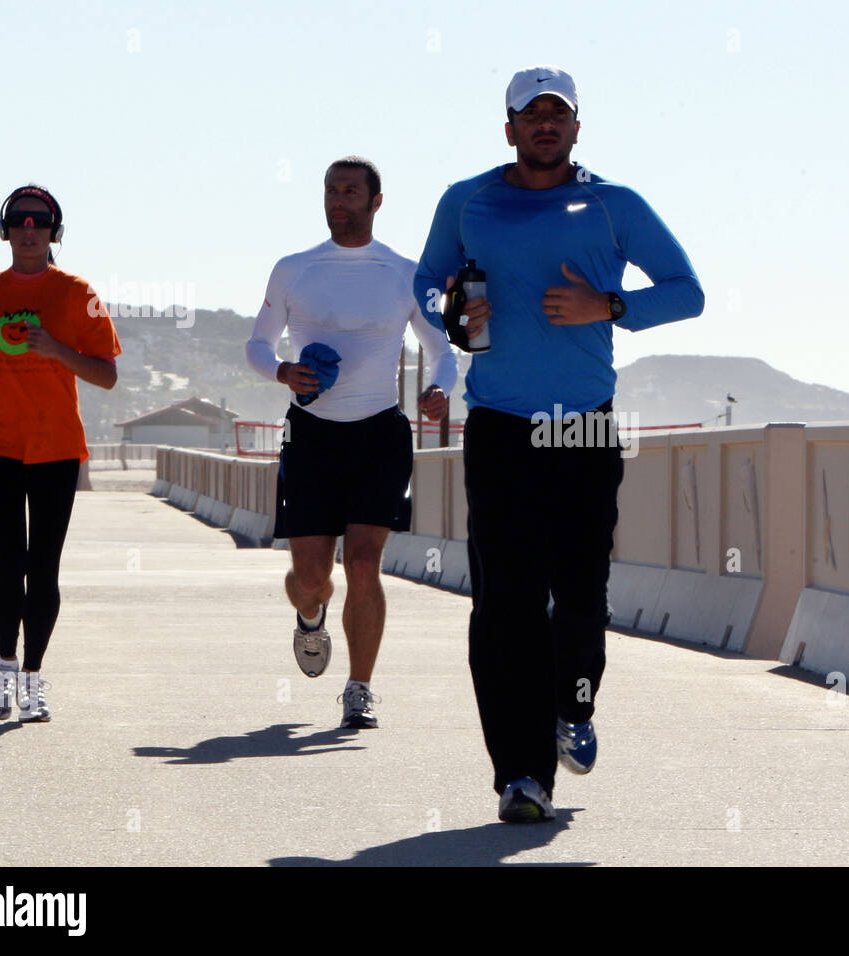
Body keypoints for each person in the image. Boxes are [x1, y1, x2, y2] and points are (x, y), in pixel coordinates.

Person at [414, 66, 704, 822]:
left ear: (577, 126)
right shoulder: (468, 201)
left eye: (558, 114)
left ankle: (575, 704)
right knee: (504, 601)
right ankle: (520, 774)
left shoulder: (615, 205)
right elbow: (423, 281)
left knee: (578, 594)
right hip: (502, 423)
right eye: (529, 114)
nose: (545, 124)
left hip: (581, 421)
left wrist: (607, 306)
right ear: (507, 127)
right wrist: (450, 310)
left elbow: (685, 290)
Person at [246, 157, 457, 729]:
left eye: (350, 191)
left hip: (380, 435)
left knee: (365, 563)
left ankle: (359, 689)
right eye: (331, 190)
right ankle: (310, 616)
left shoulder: (406, 273)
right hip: (311, 437)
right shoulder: (294, 269)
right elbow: (257, 345)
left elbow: (442, 351)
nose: (338, 200)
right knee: (311, 577)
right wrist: (283, 371)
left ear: (376, 201)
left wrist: (438, 389)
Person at [0, 184, 121, 723]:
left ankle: (32, 677)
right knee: (9, 558)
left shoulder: (78, 293)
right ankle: (3, 669)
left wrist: (55, 349)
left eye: (40, 221)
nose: (29, 229)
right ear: (5, 230)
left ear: (54, 232)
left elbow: (108, 376)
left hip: (55, 444)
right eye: (20, 220)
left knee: (44, 566)